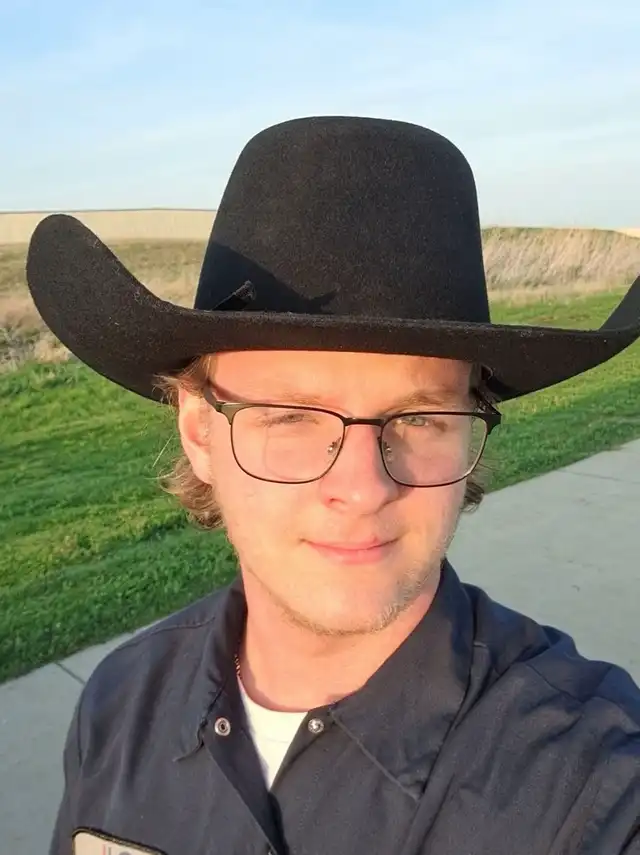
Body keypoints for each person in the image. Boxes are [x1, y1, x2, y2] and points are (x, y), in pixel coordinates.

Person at [27, 116, 640, 855]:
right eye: (290, 416)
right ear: (199, 432)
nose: (362, 486)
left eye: (419, 417)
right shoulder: (120, 706)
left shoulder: (590, 781)